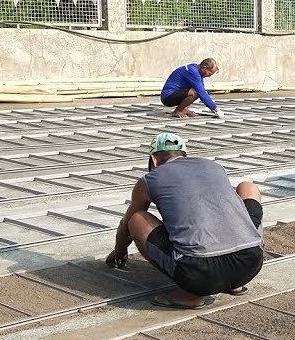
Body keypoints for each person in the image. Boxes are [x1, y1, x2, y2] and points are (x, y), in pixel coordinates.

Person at [106, 132, 264, 308]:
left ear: (154, 159)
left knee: (136, 219)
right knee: (247, 187)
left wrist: (118, 252)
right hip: (250, 262)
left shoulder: (149, 180)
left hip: (199, 274)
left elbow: (127, 224)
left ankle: (190, 295)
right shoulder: (213, 166)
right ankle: (234, 284)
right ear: (184, 155)